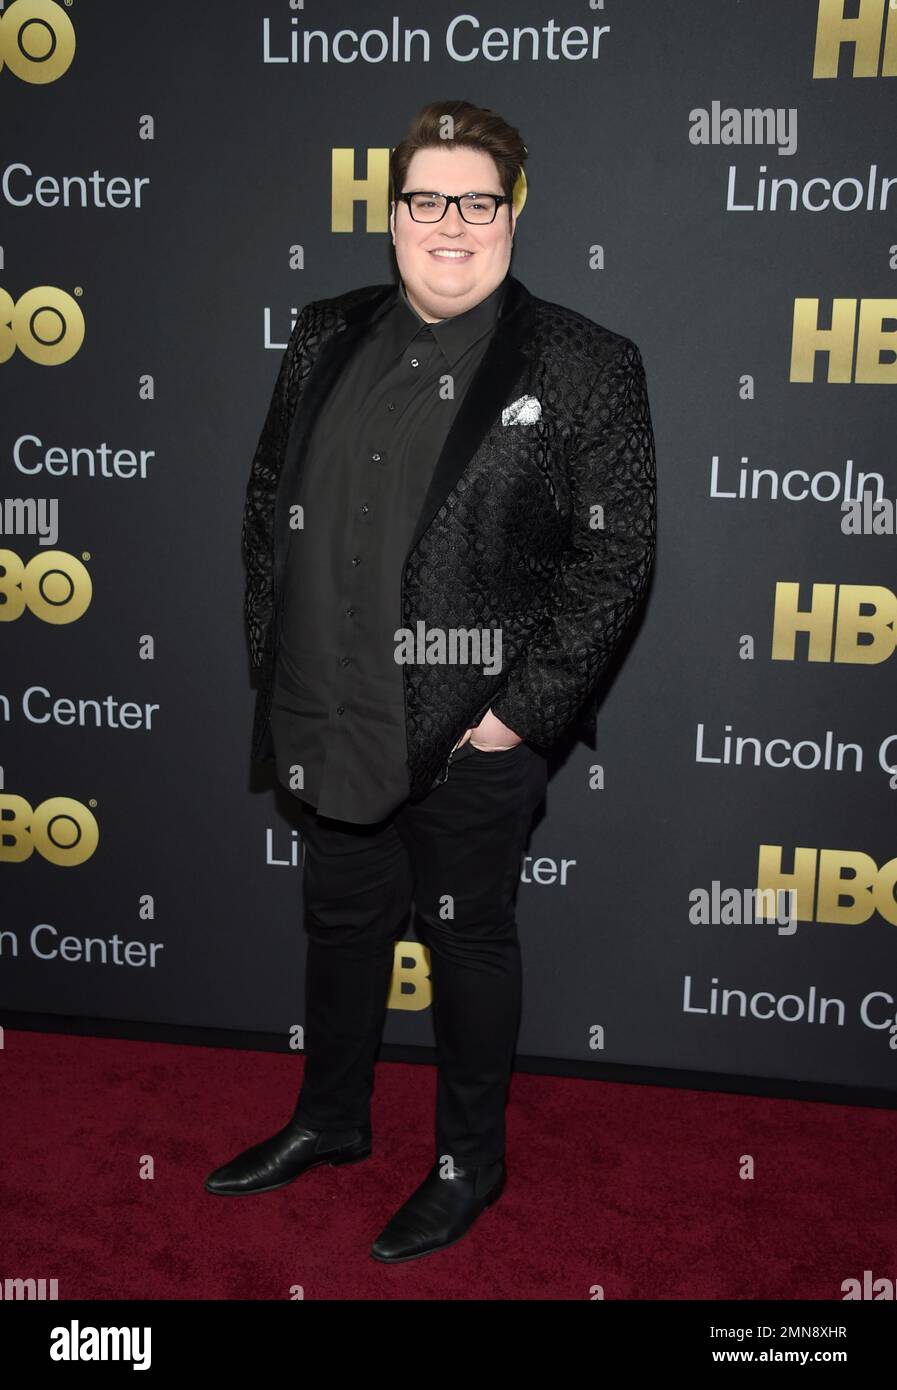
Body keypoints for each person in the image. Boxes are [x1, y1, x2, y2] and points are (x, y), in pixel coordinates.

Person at [205, 99, 657, 1264]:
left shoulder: (582, 361)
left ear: (512, 214)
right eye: (424, 199)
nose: (448, 223)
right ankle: (331, 1119)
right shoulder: (321, 334)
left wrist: (520, 715)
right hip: (327, 711)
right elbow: (268, 505)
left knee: (466, 944)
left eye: (475, 200)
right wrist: (280, 656)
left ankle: (469, 1163)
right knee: (341, 928)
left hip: (470, 734)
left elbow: (617, 556)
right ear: (390, 212)